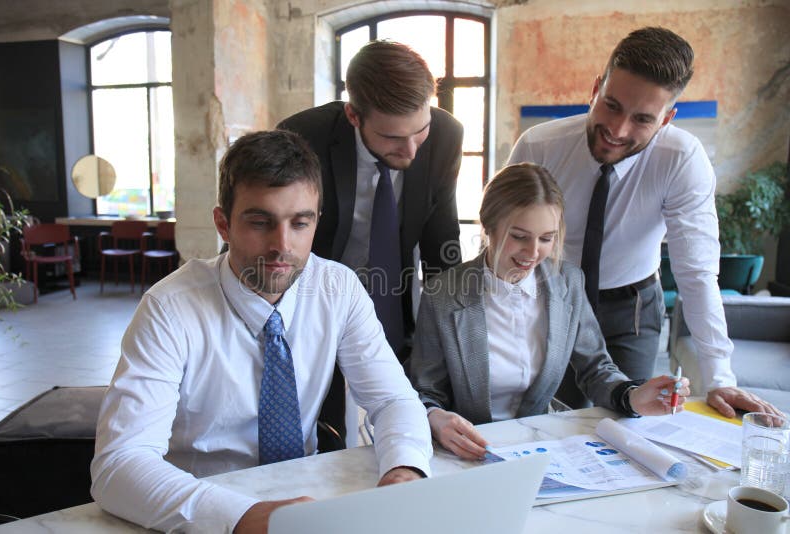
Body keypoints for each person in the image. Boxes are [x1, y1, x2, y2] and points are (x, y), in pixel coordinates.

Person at [90, 130, 432, 533]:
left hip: (309, 503)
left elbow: (392, 398)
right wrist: (240, 517)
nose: (281, 246)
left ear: (316, 221)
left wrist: (405, 469)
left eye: (300, 223)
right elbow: (119, 464)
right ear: (223, 223)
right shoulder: (170, 308)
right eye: (260, 222)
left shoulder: (338, 288)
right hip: (200, 510)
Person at [506, 26, 780, 418]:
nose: (618, 131)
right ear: (595, 89)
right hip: (553, 295)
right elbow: (502, 241)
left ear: (667, 118)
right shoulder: (539, 146)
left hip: (631, 307)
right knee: (550, 417)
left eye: (642, 119)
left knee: (628, 420)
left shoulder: (682, 159)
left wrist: (720, 377)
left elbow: (697, 272)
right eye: (612, 105)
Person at [410, 163, 691, 460]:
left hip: (539, 445)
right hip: (466, 448)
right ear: (488, 226)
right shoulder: (442, 293)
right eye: (519, 236)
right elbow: (425, 391)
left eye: (546, 238)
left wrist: (633, 396)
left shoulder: (568, 283)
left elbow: (595, 367)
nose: (533, 253)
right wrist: (433, 417)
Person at [278, 40, 464, 439]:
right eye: (393, 138)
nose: (412, 149)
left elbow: (440, 242)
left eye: (420, 130)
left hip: (391, 295)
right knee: (320, 415)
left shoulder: (446, 135)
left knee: (400, 403)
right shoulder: (302, 136)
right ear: (353, 115)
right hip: (315, 294)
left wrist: (452, 331)